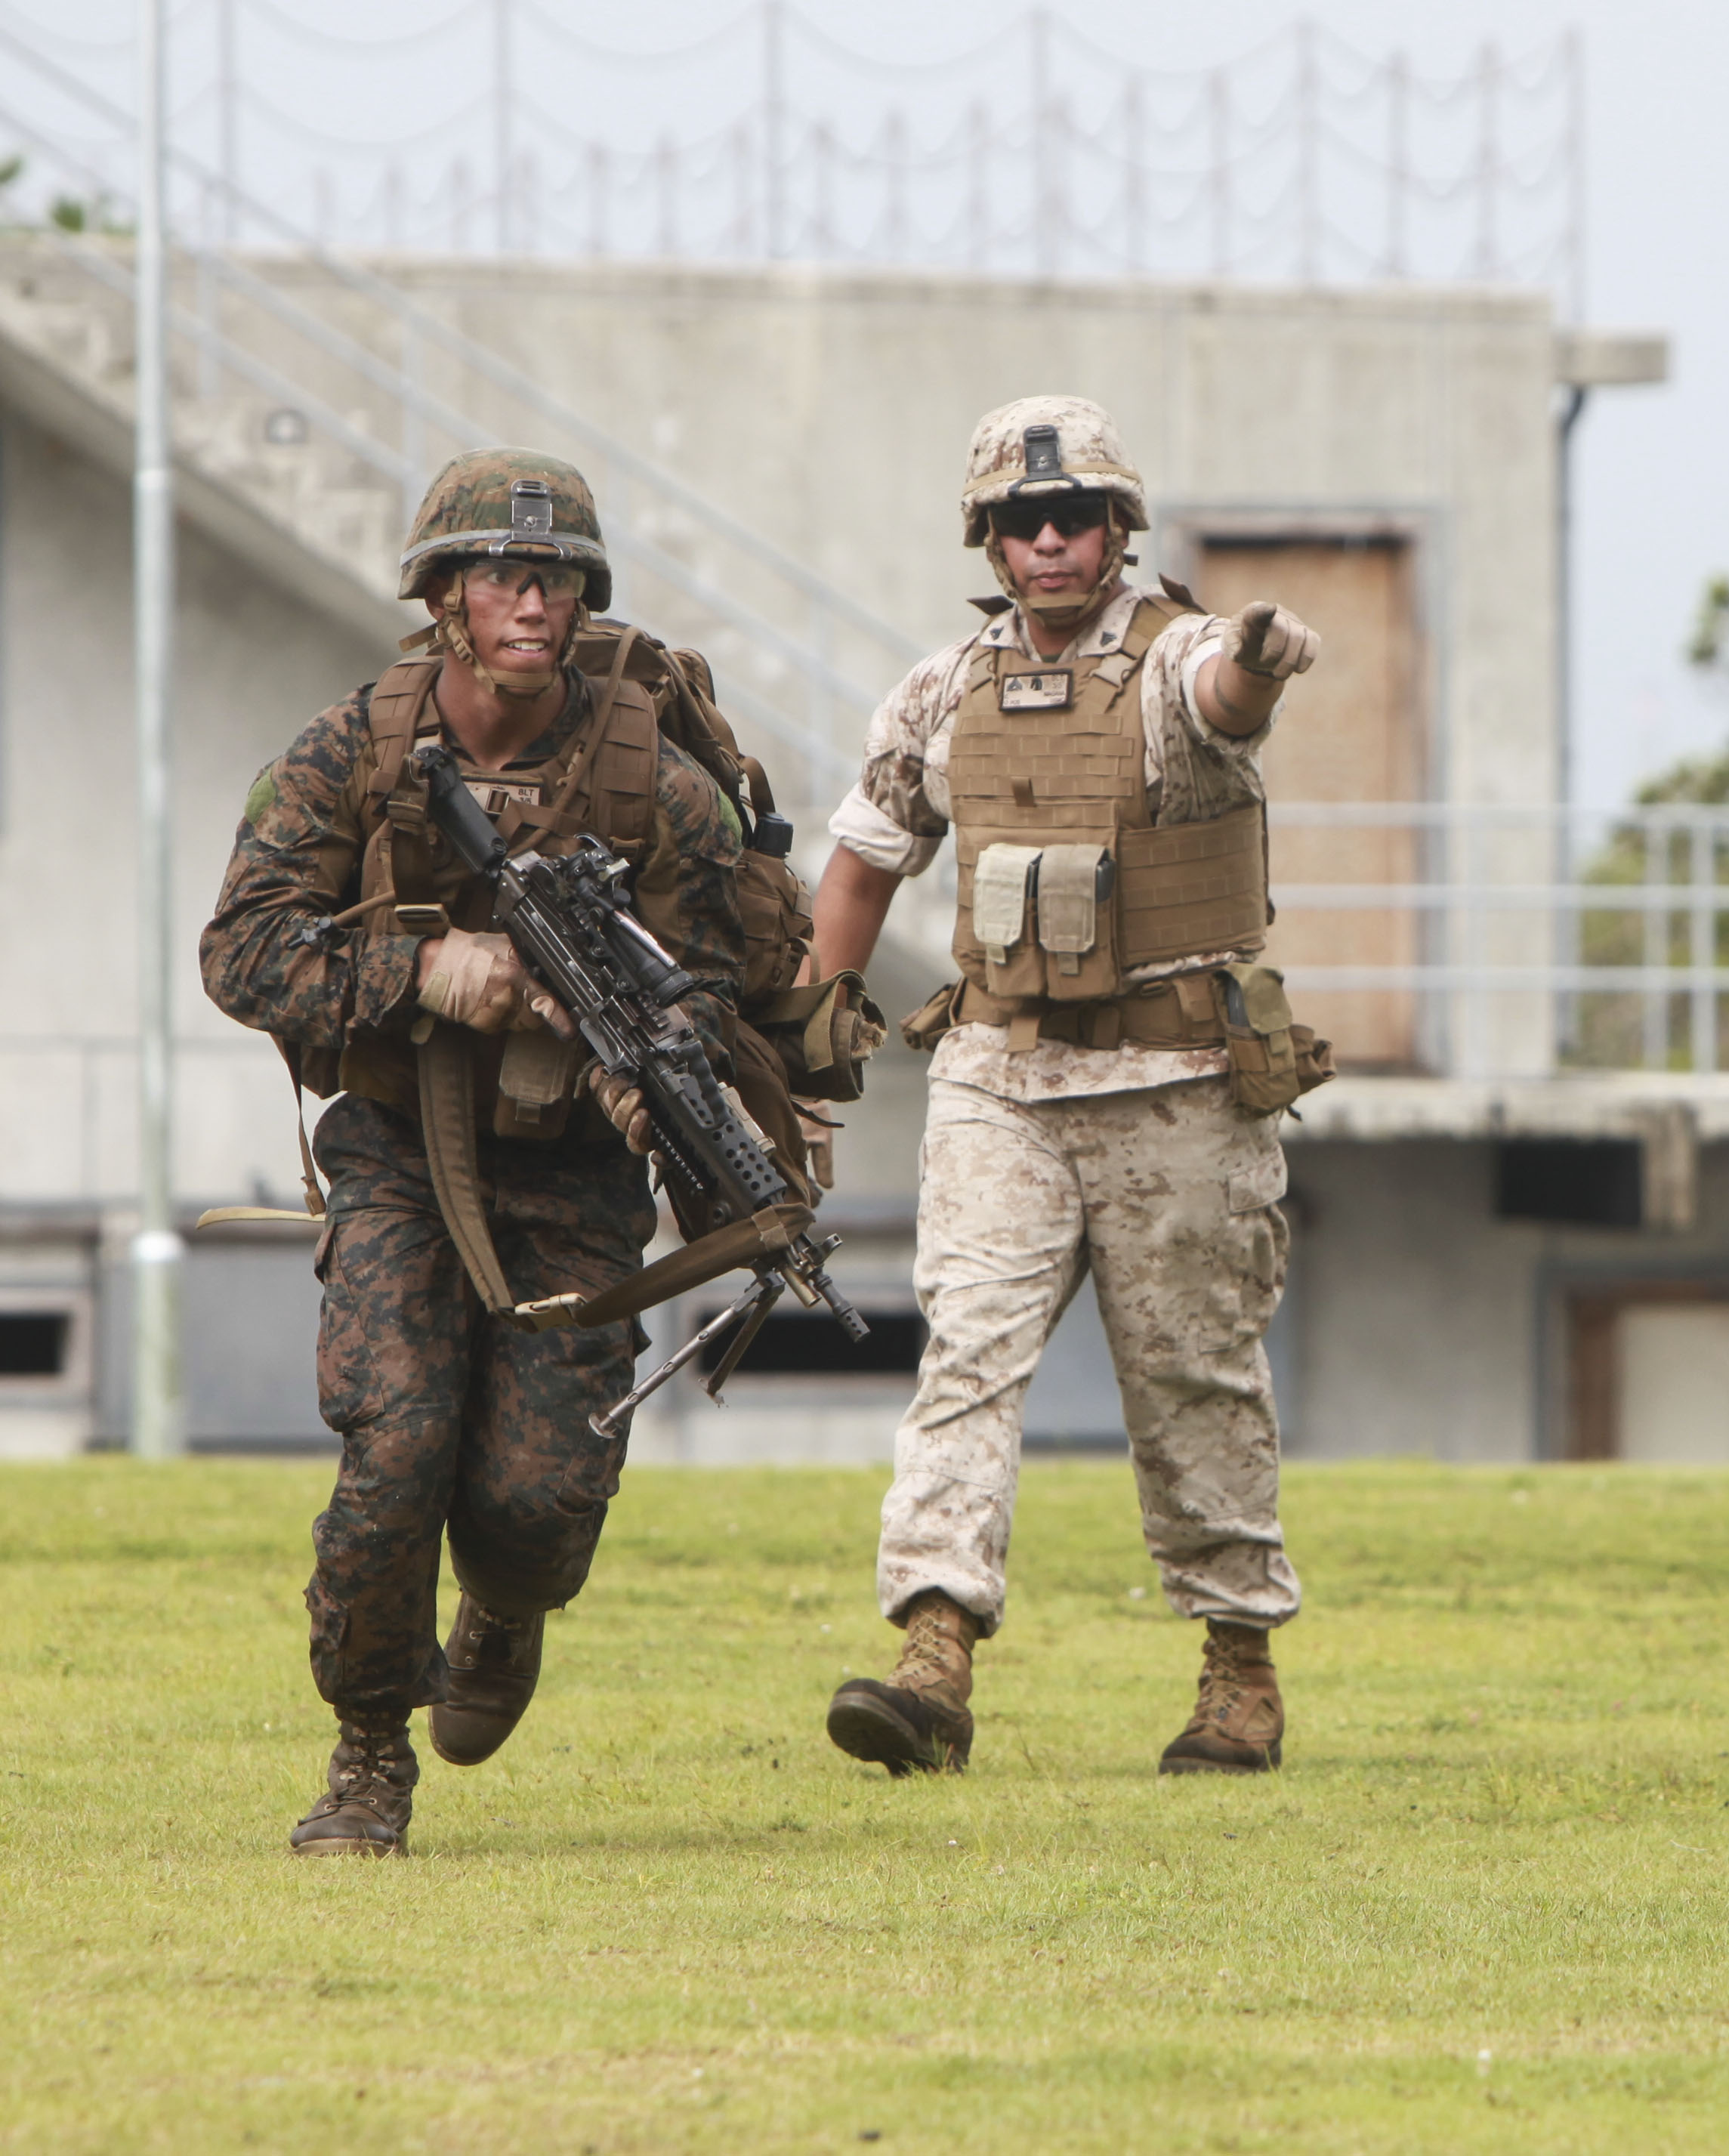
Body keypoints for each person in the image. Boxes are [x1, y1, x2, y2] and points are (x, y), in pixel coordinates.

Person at [201, 449, 751, 1855]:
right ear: (441, 596)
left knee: (533, 1499)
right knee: (397, 1451)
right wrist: (422, 968)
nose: (535, 602)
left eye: (559, 577)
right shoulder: (355, 753)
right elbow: (239, 948)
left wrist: (647, 1070)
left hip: (570, 1171)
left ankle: (505, 1607)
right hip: (395, 1143)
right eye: (505, 574)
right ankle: (369, 1755)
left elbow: (717, 991)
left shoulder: (658, 790)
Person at [807, 396, 1326, 1778]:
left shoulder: (1176, 661)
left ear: (1118, 528)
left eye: (1077, 516)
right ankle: (933, 1655)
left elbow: (1230, 694)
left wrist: (1266, 663)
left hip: (1182, 1091)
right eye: (1023, 520)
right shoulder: (940, 691)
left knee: (1194, 1379)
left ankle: (1236, 1668)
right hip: (1000, 1080)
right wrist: (809, 1032)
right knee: (964, 1355)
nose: (1051, 541)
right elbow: (864, 859)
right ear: (988, 536)